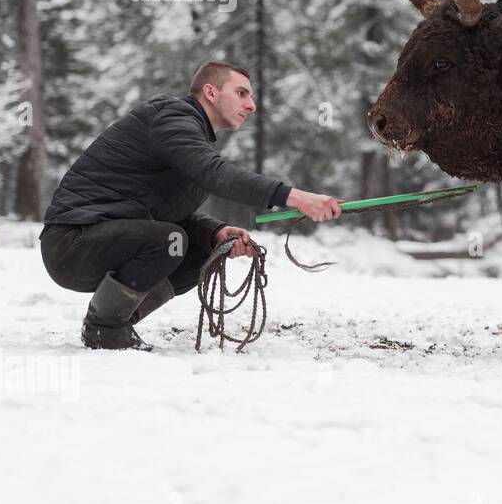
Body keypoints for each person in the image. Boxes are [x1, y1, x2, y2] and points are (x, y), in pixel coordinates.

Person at [40, 61, 342, 351]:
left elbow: (171, 214)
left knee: (202, 249)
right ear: (210, 92)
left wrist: (217, 232)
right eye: (241, 93)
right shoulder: (173, 118)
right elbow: (217, 174)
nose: (251, 105)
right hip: (72, 243)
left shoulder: (190, 138)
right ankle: (104, 329)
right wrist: (296, 197)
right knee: (172, 240)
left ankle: (115, 322)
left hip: (104, 239)